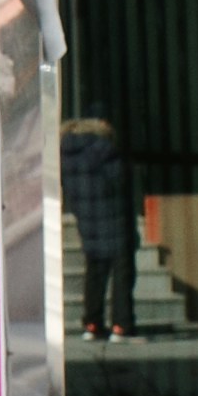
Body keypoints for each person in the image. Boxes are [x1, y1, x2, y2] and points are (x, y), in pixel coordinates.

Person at [61, 110, 136, 339]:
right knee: (123, 272)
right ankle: (121, 326)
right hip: (114, 218)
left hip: (88, 220)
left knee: (95, 272)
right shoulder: (104, 149)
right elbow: (119, 179)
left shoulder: (66, 153)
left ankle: (92, 324)